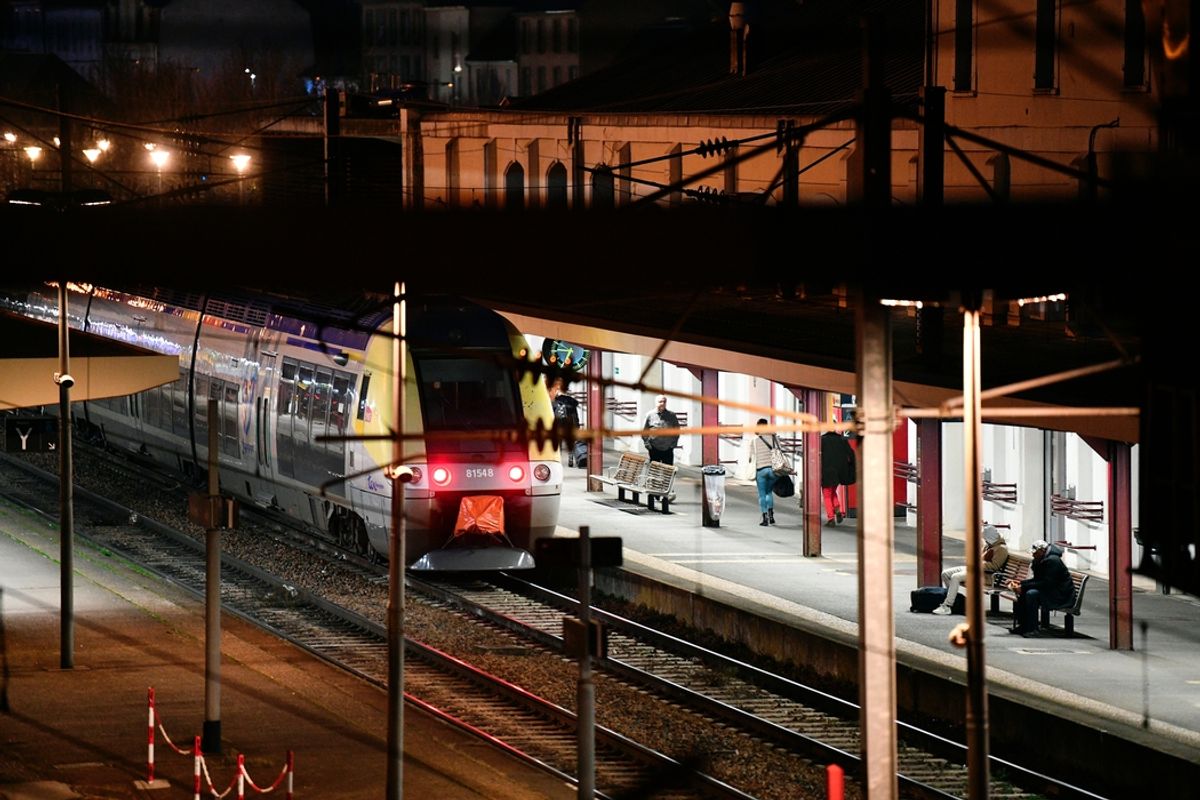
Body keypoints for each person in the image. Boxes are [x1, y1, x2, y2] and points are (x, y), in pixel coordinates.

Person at [933, 524, 1009, 615]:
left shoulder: (1001, 549)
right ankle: (954, 600)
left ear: (990, 537)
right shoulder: (989, 545)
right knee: (945, 574)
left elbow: (994, 566)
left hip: (986, 575)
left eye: (985, 538)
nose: (984, 540)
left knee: (955, 577)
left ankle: (947, 606)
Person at [1009, 539, 1074, 637]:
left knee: (1031, 594)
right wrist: (1021, 584)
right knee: (1025, 592)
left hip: (1060, 595)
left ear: (1042, 551)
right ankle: (1024, 626)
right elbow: (1038, 580)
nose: (1033, 555)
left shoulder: (1053, 561)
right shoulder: (1041, 559)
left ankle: (1032, 628)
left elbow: (1047, 582)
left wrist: (1023, 586)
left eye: (1035, 553)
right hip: (1051, 590)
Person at [820, 430, 855, 526]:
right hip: (839, 472)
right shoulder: (842, 439)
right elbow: (851, 453)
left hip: (826, 471)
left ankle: (831, 518)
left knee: (826, 494)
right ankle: (838, 510)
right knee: (832, 492)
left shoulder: (821, 440)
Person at [752, 418, 780, 526]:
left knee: (762, 494)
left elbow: (752, 456)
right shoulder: (774, 437)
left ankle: (765, 518)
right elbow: (780, 450)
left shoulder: (756, 440)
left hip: (761, 470)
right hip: (773, 470)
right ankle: (771, 515)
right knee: (769, 492)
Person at [642, 394, 680, 465]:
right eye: (660, 402)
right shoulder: (649, 415)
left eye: (664, 402)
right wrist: (647, 444)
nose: (662, 403)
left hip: (668, 448)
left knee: (668, 471)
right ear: (656, 403)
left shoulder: (672, 415)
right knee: (654, 471)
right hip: (654, 448)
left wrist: (673, 444)